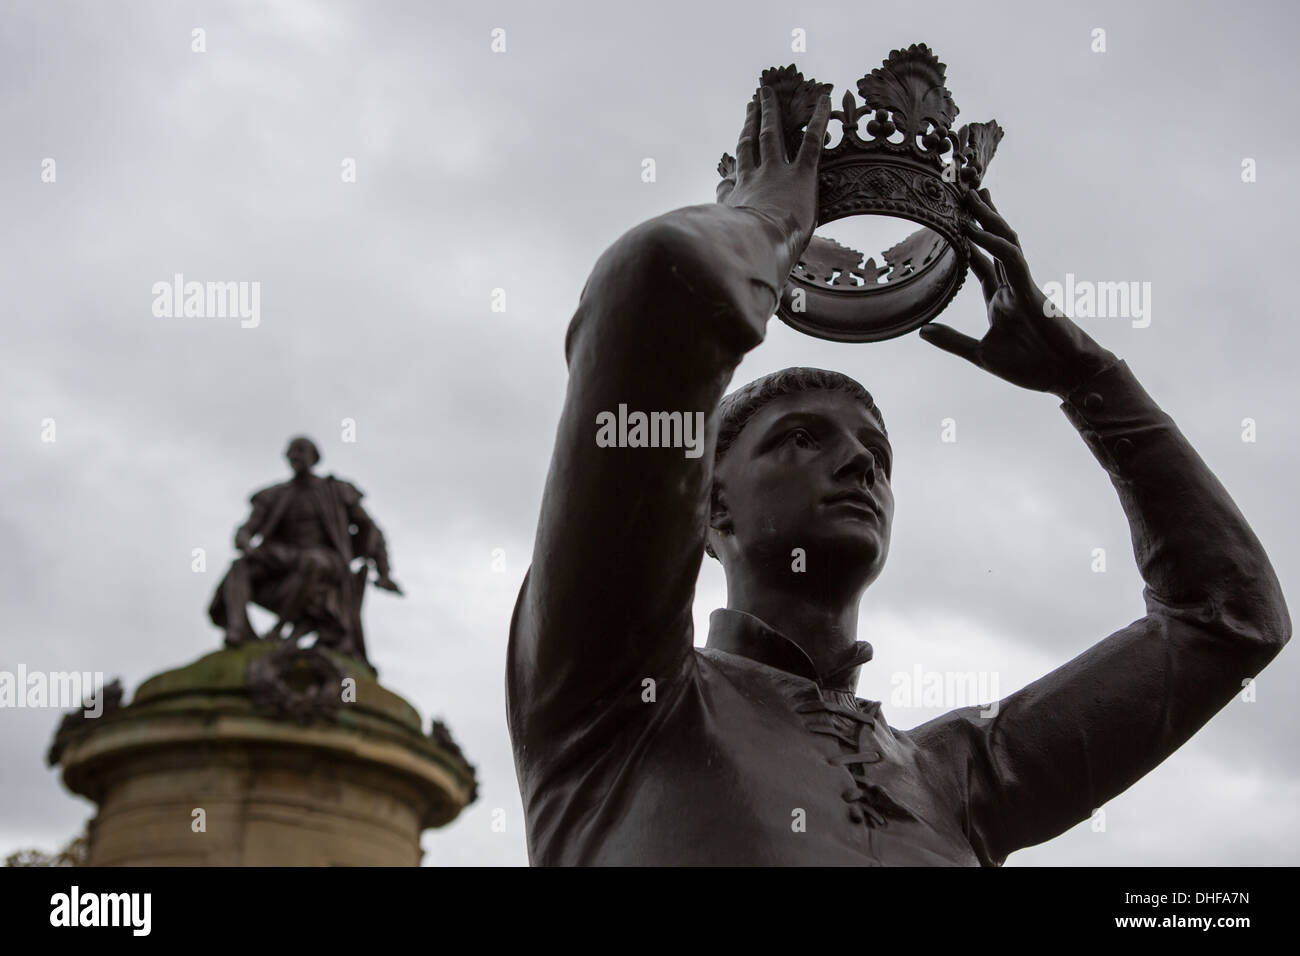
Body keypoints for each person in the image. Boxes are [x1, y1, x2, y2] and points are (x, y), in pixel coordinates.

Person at [505, 89, 1291, 864]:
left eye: (877, 455)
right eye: (801, 439)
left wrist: (1090, 381)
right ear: (709, 507)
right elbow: (655, 287)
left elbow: (1227, 617)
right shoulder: (616, 689)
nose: (858, 464)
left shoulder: (954, 779)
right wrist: (771, 220)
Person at [209, 436, 401, 664]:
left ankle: (279, 630)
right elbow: (247, 529)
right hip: (284, 555)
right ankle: (238, 630)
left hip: (327, 559)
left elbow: (370, 529)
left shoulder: (336, 490)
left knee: (313, 562)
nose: (296, 456)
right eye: (291, 452)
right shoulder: (274, 494)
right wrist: (245, 543)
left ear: (315, 457)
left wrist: (384, 572)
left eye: (301, 451)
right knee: (239, 566)